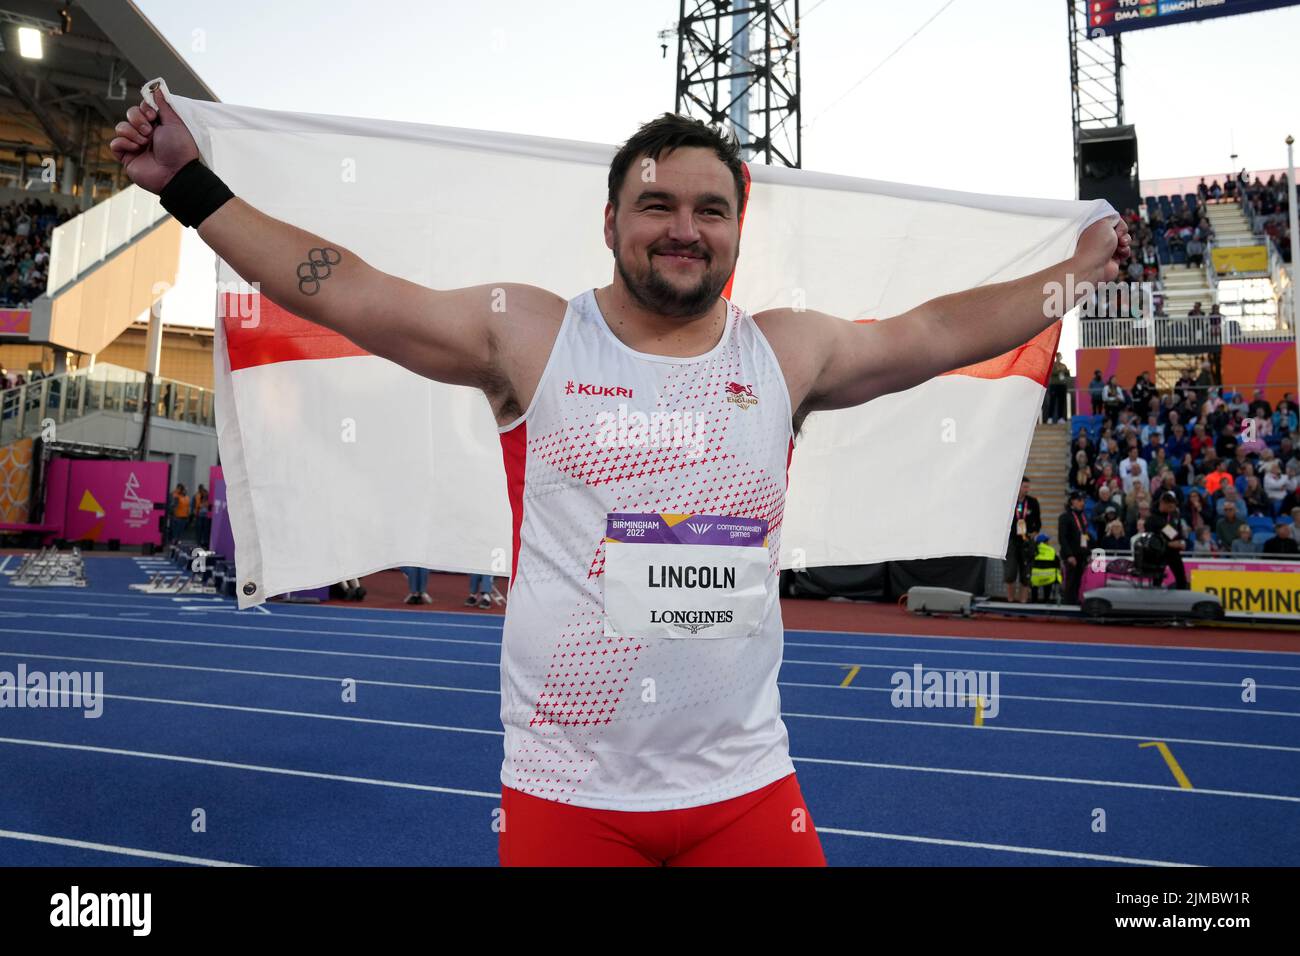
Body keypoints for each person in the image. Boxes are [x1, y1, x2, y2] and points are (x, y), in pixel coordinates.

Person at [111, 90, 1129, 867]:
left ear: (738, 230)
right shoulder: (530, 332)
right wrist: (192, 188)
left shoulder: (788, 351)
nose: (683, 227)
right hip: (567, 794)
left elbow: (941, 329)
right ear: (609, 223)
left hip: (743, 785)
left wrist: (1076, 273)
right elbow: (351, 289)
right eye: (656, 205)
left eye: (710, 208)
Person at [1004, 477, 1041, 604]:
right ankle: (1010, 601)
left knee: (1026, 573)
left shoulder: (1033, 502)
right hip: (1012, 541)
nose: (1027, 489)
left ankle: (1023, 602)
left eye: (1028, 487)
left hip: (1027, 541)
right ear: (1018, 486)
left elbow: (1038, 523)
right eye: (1025, 487)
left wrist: (1034, 533)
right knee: (1010, 572)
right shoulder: (1009, 501)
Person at [1145, 490, 1189, 589]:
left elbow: (1176, 532)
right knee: (1157, 579)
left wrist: (1180, 541)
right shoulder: (1152, 518)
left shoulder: (1172, 515)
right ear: (1163, 503)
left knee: (1181, 577)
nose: (1172, 509)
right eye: (1170, 507)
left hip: (1172, 552)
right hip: (1157, 553)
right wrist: (1169, 543)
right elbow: (1154, 538)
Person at [1057, 490, 1090, 605]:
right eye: (1079, 500)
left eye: (1083, 501)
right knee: (1070, 581)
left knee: (1078, 581)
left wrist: (1088, 552)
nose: (1082, 503)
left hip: (1081, 554)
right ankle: (1067, 604)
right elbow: (1062, 538)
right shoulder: (1065, 517)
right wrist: (1069, 555)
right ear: (1072, 502)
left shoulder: (1082, 516)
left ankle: (1074, 602)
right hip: (1071, 555)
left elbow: (1085, 535)